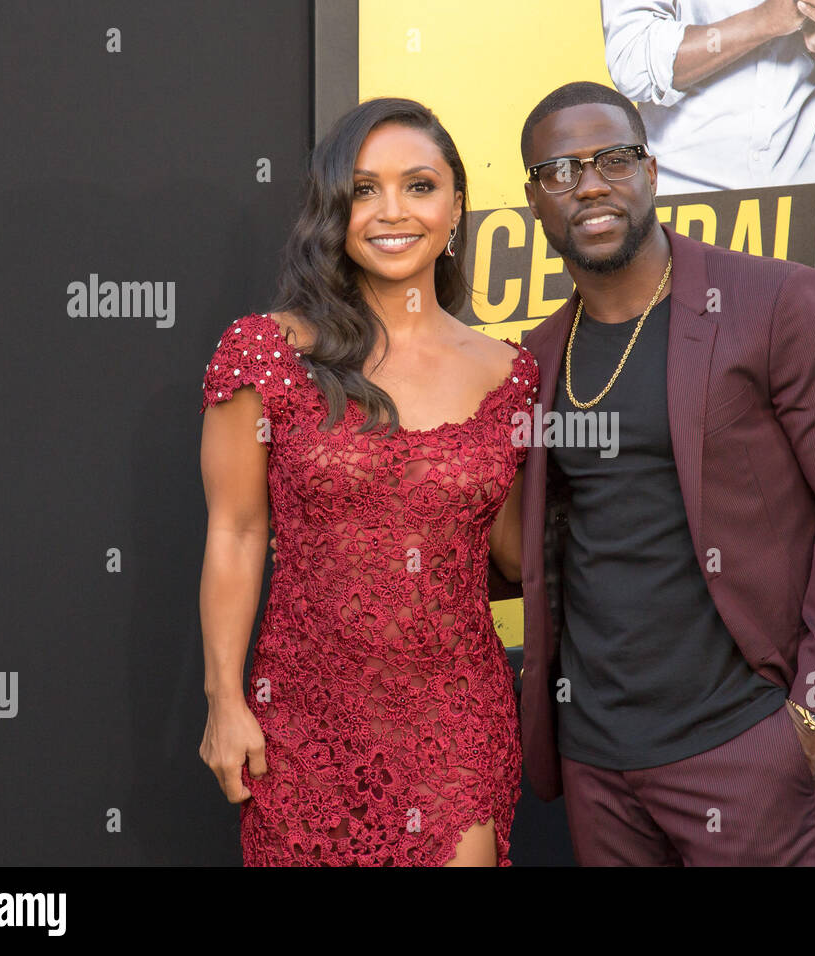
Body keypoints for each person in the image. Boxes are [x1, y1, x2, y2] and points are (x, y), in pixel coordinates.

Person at [514, 81, 815, 865]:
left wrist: (814, 715)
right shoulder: (535, 360)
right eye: (561, 171)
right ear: (534, 201)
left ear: (652, 169)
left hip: (742, 742)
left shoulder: (778, 304)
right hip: (597, 758)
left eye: (614, 158)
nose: (592, 184)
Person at [197, 97, 538, 866]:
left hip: (457, 725)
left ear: (456, 207)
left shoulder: (512, 375)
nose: (393, 211)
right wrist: (225, 699)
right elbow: (237, 531)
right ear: (332, 210)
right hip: (302, 724)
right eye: (363, 188)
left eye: (419, 186)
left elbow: (515, 556)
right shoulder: (266, 352)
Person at [602, 0, 815, 289]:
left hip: (802, 212)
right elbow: (632, 60)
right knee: (681, 340)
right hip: (684, 216)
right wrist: (764, 21)